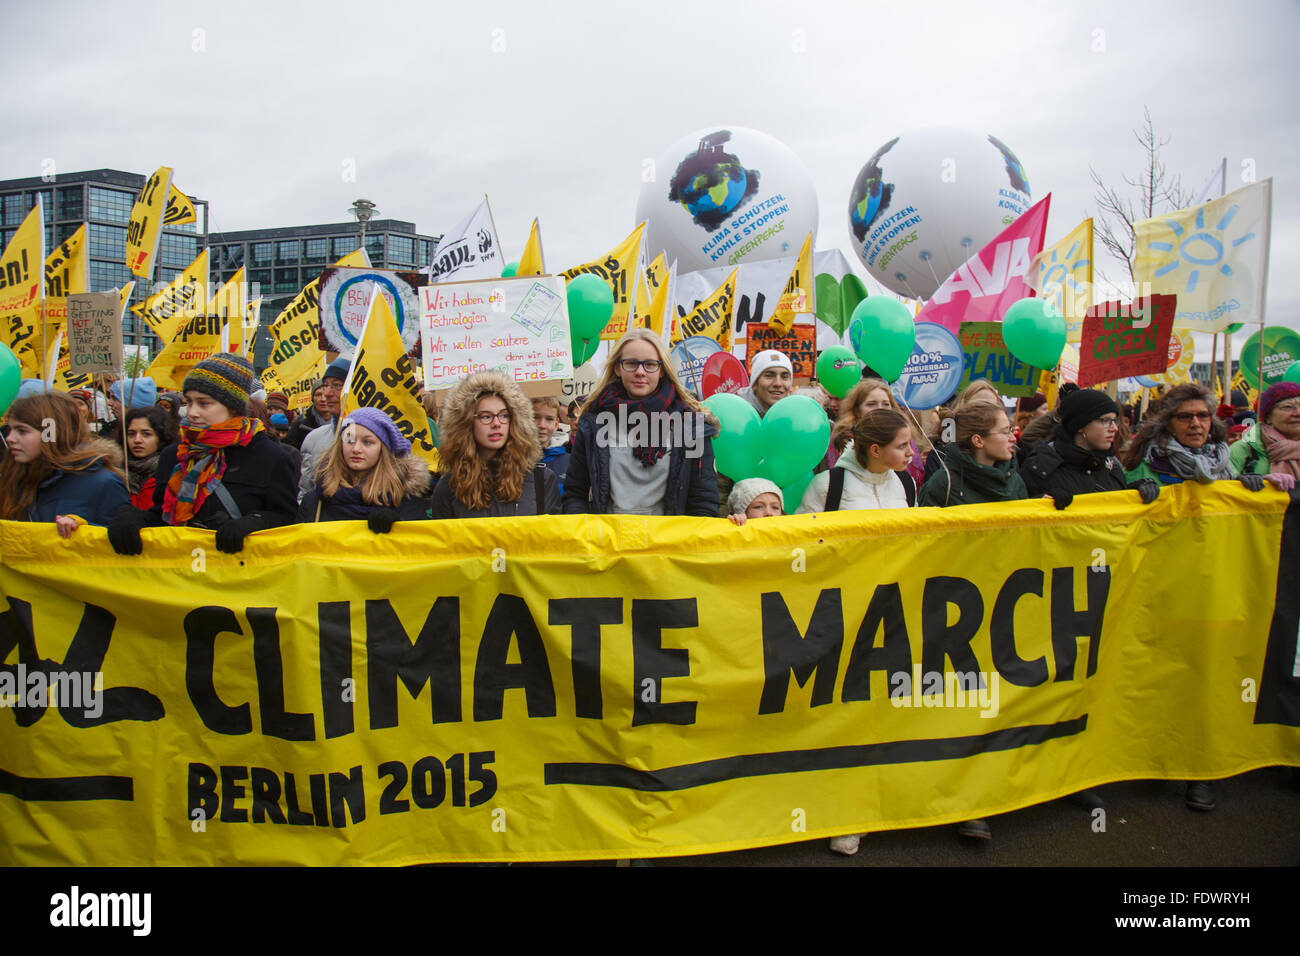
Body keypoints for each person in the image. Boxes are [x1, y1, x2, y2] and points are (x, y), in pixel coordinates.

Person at [106, 354, 298, 555]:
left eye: (203, 403)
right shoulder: (175, 454)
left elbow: (286, 517)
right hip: (181, 572)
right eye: (189, 402)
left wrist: (255, 522)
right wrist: (132, 517)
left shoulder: (270, 457)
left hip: (239, 575)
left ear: (232, 407)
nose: (191, 412)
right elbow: (161, 514)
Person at [563, 329, 718, 516]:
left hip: (668, 542)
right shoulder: (593, 423)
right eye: (631, 363)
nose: (640, 372)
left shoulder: (691, 427)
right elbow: (575, 493)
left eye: (650, 364)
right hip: (610, 542)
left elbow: (703, 501)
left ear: (662, 370)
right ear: (617, 368)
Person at [431, 370, 561, 518]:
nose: (496, 423)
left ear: (515, 421)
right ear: (466, 423)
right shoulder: (449, 487)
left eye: (504, 415)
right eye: (486, 416)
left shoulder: (541, 480)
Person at [0, 391, 130, 535]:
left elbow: (122, 542)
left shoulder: (104, 483)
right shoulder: (13, 477)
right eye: (10, 429)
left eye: (22, 431)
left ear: (50, 433)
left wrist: (81, 528)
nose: (10, 438)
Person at [1123, 382, 1287, 493]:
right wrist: (1134, 492)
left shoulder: (1224, 464)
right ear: (1168, 423)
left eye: (1203, 416)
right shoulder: (1144, 465)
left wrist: (1242, 486)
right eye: (1185, 416)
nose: (1195, 423)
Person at [1021, 388, 1161, 508]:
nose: (1114, 428)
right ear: (1080, 425)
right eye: (1105, 420)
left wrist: (1135, 493)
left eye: (1114, 421)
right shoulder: (1040, 468)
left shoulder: (1112, 466)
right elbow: (1020, 517)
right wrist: (1041, 502)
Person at [299, 406, 432, 529]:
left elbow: (419, 548)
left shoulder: (404, 500)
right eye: (349, 440)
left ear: (383, 448)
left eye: (367, 442)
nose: (356, 449)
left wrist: (399, 527)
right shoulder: (316, 502)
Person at [799, 409, 917, 514]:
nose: (911, 452)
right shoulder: (828, 485)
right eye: (902, 446)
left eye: (909, 443)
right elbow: (805, 534)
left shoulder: (906, 483)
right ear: (875, 450)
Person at [919, 403, 1027, 508]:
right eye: (1005, 432)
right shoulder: (943, 484)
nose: (1013, 438)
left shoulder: (1014, 480)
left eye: (1011, 430)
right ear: (978, 441)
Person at [1229, 382, 1300, 489]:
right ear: (1268, 417)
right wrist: (1259, 485)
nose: (1298, 413)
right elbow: (1222, 490)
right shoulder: (1243, 449)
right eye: (1288, 407)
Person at [297, 358, 349, 500]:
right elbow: (305, 493)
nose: (327, 393)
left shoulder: (378, 439)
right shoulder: (313, 439)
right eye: (326, 385)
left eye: (337, 385)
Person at [121, 405, 179, 509]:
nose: (137, 440)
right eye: (131, 434)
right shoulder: (115, 470)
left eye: (146, 434)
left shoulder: (173, 472)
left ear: (161, 437)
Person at [533, 396, 570, 493]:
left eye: (549, 419)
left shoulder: (570, 462)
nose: (542, 425)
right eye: (535, 417)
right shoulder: (514, 460)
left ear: (556, 424)